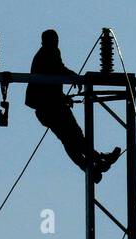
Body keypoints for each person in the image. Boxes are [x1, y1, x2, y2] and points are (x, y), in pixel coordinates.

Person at [25, 29, 122, 182]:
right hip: (50, 108)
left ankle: (94, 164)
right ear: (45, 42)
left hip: (50, 107)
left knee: (72, 140)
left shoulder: (48, 53)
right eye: (53, 40)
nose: (55, 43)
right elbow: (57, 71)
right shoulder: (46, 54)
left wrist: (64, 96)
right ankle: (96, 162)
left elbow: (52, 80)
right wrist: (73, 77)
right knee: (73, 138)